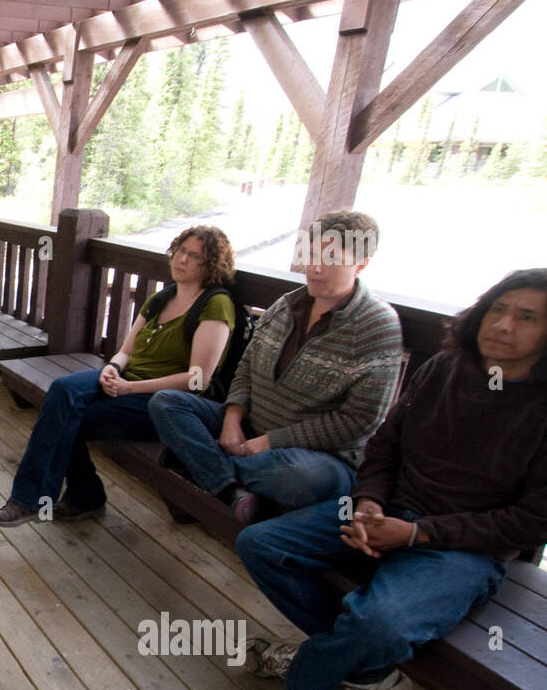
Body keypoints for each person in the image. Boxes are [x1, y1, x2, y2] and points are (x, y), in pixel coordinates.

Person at [235, 269, 547, 690]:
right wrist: (368, 504)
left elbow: (532, 521)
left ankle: (312, 666)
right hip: (384, 511)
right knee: (261, 543)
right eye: (498, 309)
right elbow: (385, 445)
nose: (502, 325)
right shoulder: (445, 368)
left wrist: (416, 535)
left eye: (527, 317)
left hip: (463, 546)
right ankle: (356, 661)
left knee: (374, 630)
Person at [148, 210, 402, 524]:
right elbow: (247, 365)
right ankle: (228, 487)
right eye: (311, 254)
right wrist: (232, 417)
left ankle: (198, 462)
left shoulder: (376, 325)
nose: (316, 267)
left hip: (317, 457)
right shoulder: (286, 305)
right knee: (166, 402)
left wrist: (270, 442)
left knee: (303, 477)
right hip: (249, 429)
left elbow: (361, 420)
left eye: (332, 258)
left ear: (361, 264)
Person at [0, 226, 237, 526]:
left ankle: (52, 498)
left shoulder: (215, 304)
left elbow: (199, 380)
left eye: (193, 255)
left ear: (210, 265)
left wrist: (131, 387)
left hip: (165, 402)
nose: (181, 259)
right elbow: (126, 351)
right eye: (180, 250)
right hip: (125, 380)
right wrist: (113, 367)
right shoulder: (161, 299)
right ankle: (68, 497)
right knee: (63, 391)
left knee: (66, 416)